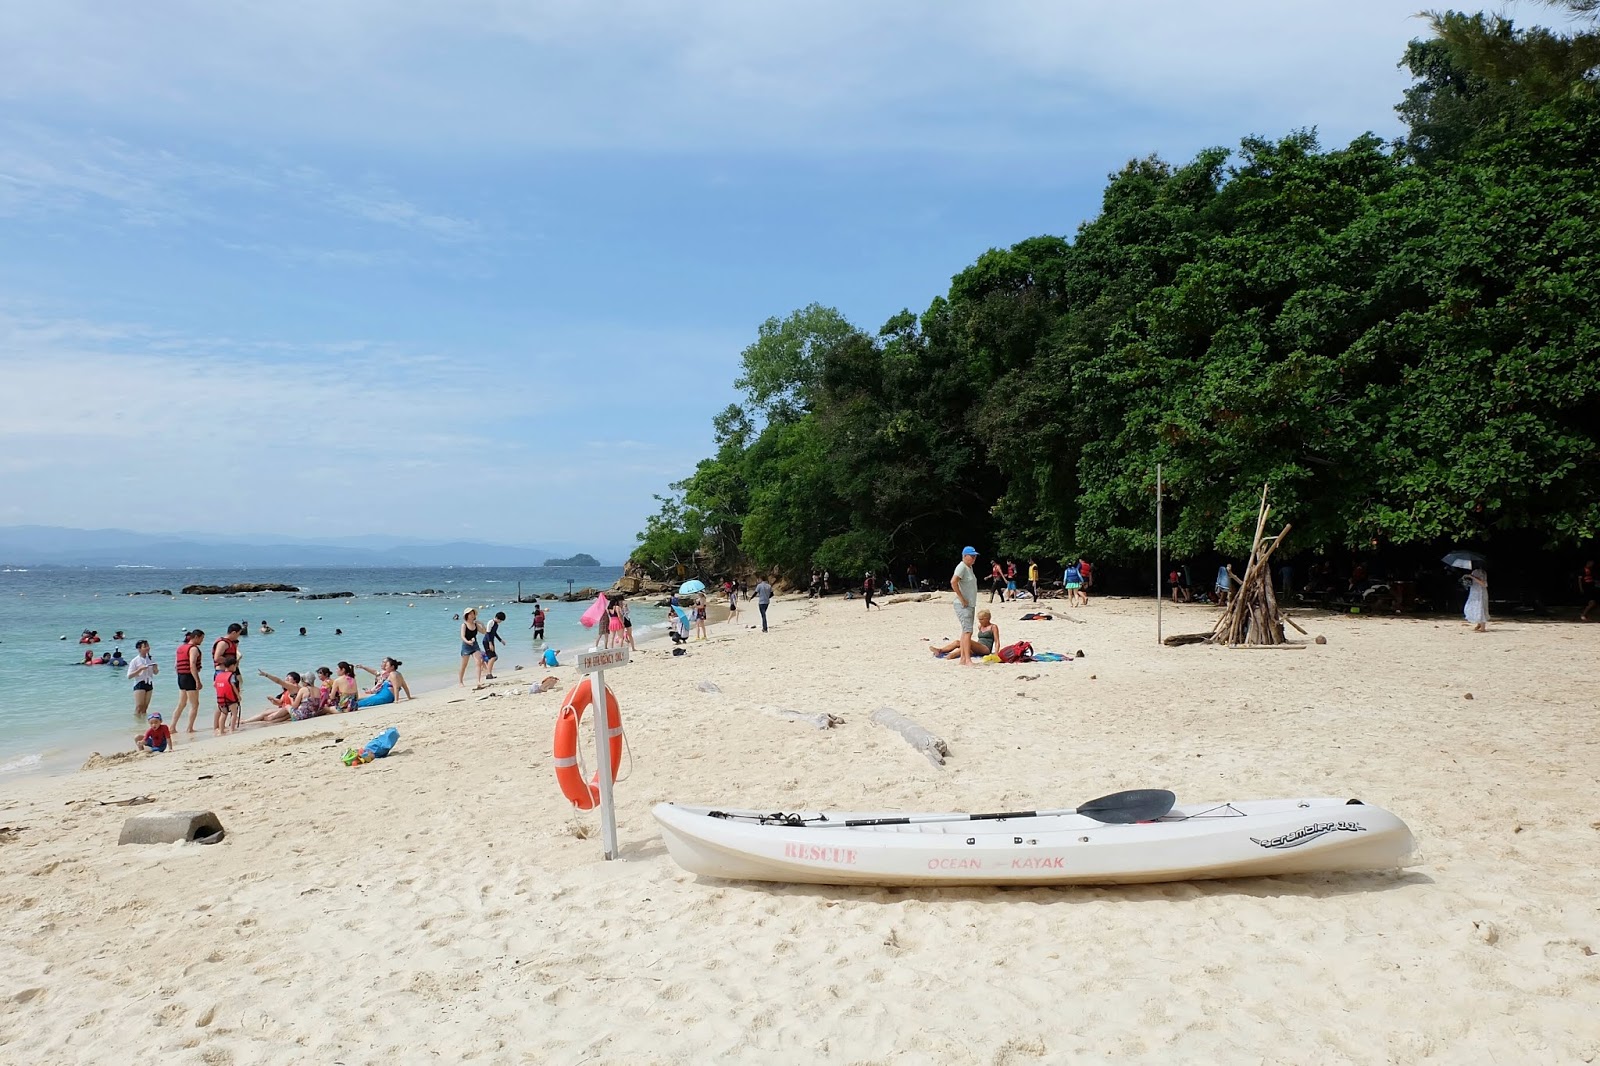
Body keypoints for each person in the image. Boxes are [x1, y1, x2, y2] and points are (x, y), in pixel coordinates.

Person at [170, 630, 204, 734]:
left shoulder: (180, 648)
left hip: (181, 676)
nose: (202, 641)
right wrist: (197, 681)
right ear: (196, 637)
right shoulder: (193, 649)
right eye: (202, 638)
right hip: (189, 677)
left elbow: (176, 665)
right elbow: (192, 664)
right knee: (194, 704)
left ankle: (172, 727)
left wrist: (181, 676)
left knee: (181, 704)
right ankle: (190, 728)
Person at [930, 608, 1000, 658]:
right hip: (978, 646)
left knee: (967, 641)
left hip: (985, 649)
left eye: (981, 619)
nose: (979, 621)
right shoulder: (980, 626)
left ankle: (951, 655)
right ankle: (940, 650)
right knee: (958, 642)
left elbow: (997, 641)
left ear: (987, 618)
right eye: (979, 619)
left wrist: (996, 653)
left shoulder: (993, 627)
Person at [950, 546, 979, 666]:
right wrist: (962, 598)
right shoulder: (962, 566)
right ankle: (967, 659)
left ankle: (963, 658)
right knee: (968, 632)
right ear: (965, 556)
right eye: (972, 556)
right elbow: (953, 581)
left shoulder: (969, 567)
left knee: (965, 632)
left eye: (975, 556)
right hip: (963, 605)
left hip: (970, 604)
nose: (974, 558)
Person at [213, 624, 243, 715]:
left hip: (228, 672)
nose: (238, 636)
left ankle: (226, 724)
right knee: (222, 701)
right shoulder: (223, 643)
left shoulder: (230, 642)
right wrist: (231, 662)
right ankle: (217, 726)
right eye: (238, 634)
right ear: (233, 633)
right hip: (221, 672)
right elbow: (217, 658)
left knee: (230, 699)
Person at [127, 639, 158, 719]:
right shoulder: (135, 660)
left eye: (148, 646)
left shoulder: (151, 659)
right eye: (145, 646)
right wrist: (140, 669)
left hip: (149, 683)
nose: (148, 647)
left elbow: (155, 672)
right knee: (139, 706)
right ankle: (136, 722)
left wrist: (155, 668)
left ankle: (142, 724)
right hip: (139, 683)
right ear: (139, 649)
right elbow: (129, 676)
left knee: (145, 707)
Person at [214, 653, 241, 734]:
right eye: (235, 666)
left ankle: (221, 731)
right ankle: (232, 729)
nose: (236, 668)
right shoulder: (232, 675)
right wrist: (238, 695)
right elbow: (232, 685)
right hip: (231, 698)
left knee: (223, 714)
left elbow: (214, 684)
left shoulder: (219, 675)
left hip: (221, 698)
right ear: (232, 666)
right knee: (234, 713)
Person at [457, 609, 482, 686]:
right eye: (470, 614)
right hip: (466, 646)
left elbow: (484, 632)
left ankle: (478, 681)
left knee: (479, 662)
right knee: (464, 665)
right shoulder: (464, 625)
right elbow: (462, 636)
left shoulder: (476, 624)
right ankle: (461, 682)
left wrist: (481, 624)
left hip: (475, 645)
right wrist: (468, 642)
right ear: (466, 615)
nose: (472, 615)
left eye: (473, 614)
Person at [480, 611, 506, 680]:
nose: (501, 622)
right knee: (493, 657)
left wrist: (501, 640)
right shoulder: (490, 622)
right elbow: (488, 633)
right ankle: (488, 674)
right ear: (498, 618)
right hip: (487, 642)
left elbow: (494, 633)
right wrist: (490, 643)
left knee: (492, 657)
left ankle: (488, 672)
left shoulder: (496, 624)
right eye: (501, 620)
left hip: (491, 641)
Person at [1464, 566, 1489, 632]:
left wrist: (1472, 577)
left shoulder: (1480, 572)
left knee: (1481, 608)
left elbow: (1483, 584)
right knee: (1476, 607)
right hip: (1475, 592)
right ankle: (1479, 624)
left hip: (1480, 592)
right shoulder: (1475, 571)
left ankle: (1483, 627)